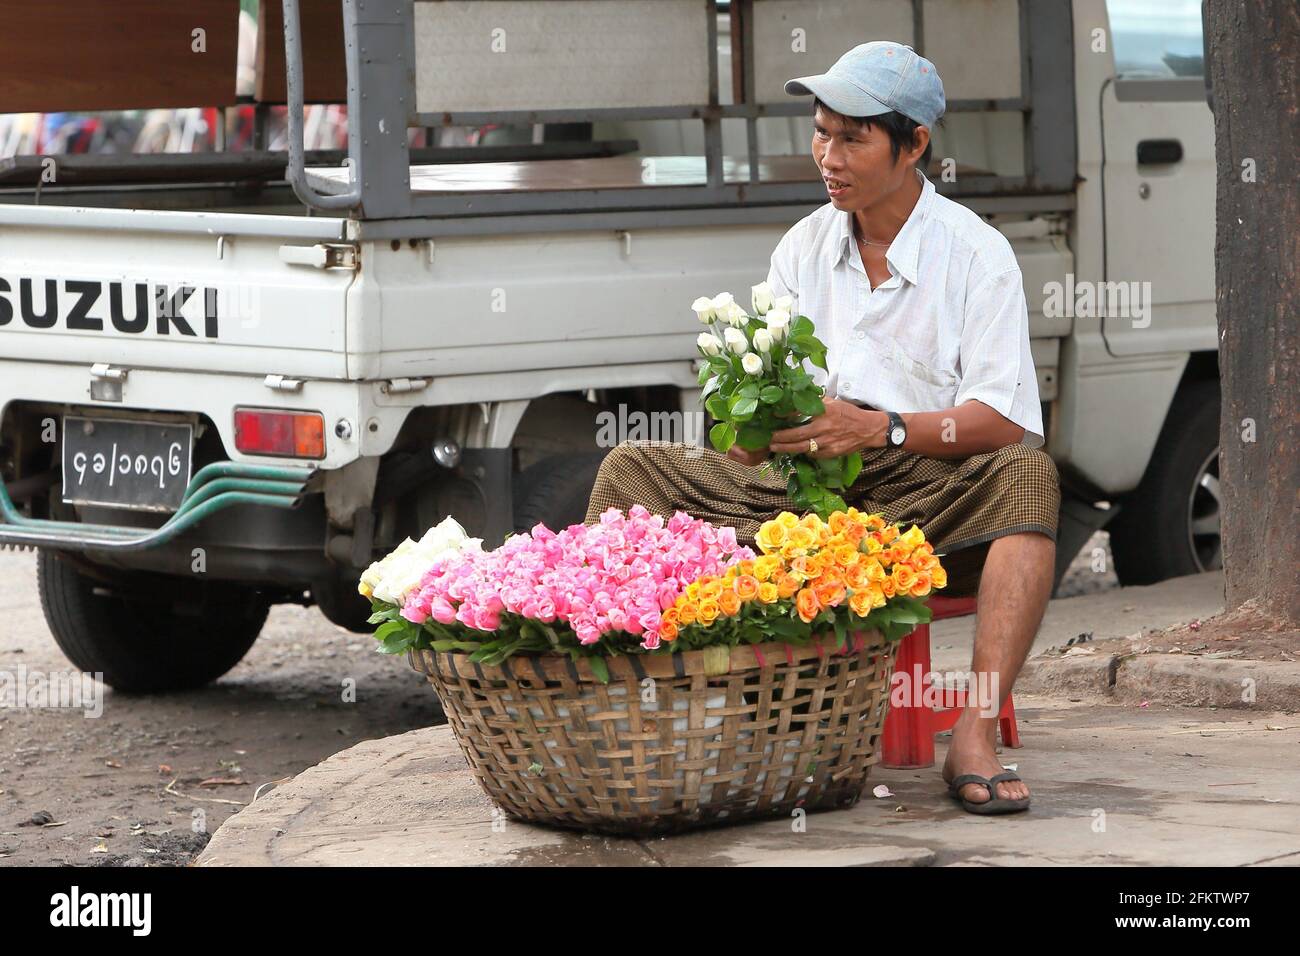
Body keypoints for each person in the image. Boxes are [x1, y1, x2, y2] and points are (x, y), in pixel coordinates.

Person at [585, 41, 1059, 815]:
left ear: (913, 145)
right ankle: (624, 714)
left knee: (1029, 477)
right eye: (821, 133)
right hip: (798, 494)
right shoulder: (803, 247)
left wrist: (883, 430)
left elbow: (1003, 421)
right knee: (631, 469)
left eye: (853, 138)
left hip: (921, 497)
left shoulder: (978, 256)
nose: (828, 157)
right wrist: (751, 428)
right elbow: (759, 413)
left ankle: (973, 734)